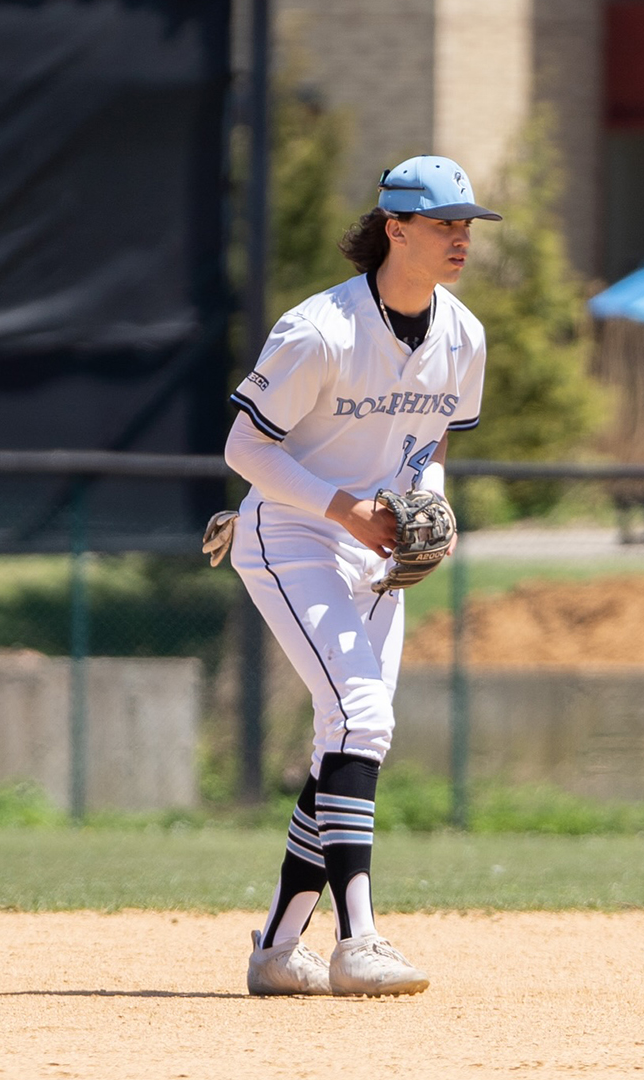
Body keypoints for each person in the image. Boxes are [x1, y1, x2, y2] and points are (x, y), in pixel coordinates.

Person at [218, 155, 498, 997]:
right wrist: (345, 511)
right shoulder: (321, 330)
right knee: (363, 715)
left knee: (347, 734)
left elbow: (436, 441)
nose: (460, 238)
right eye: (445, 223)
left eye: (467, 225)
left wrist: (433, 511)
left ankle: (276, 949)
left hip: (378, 553)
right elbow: (243, 448)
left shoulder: (464, 334)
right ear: (395, 229)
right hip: (292, 534)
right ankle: (360, 941)